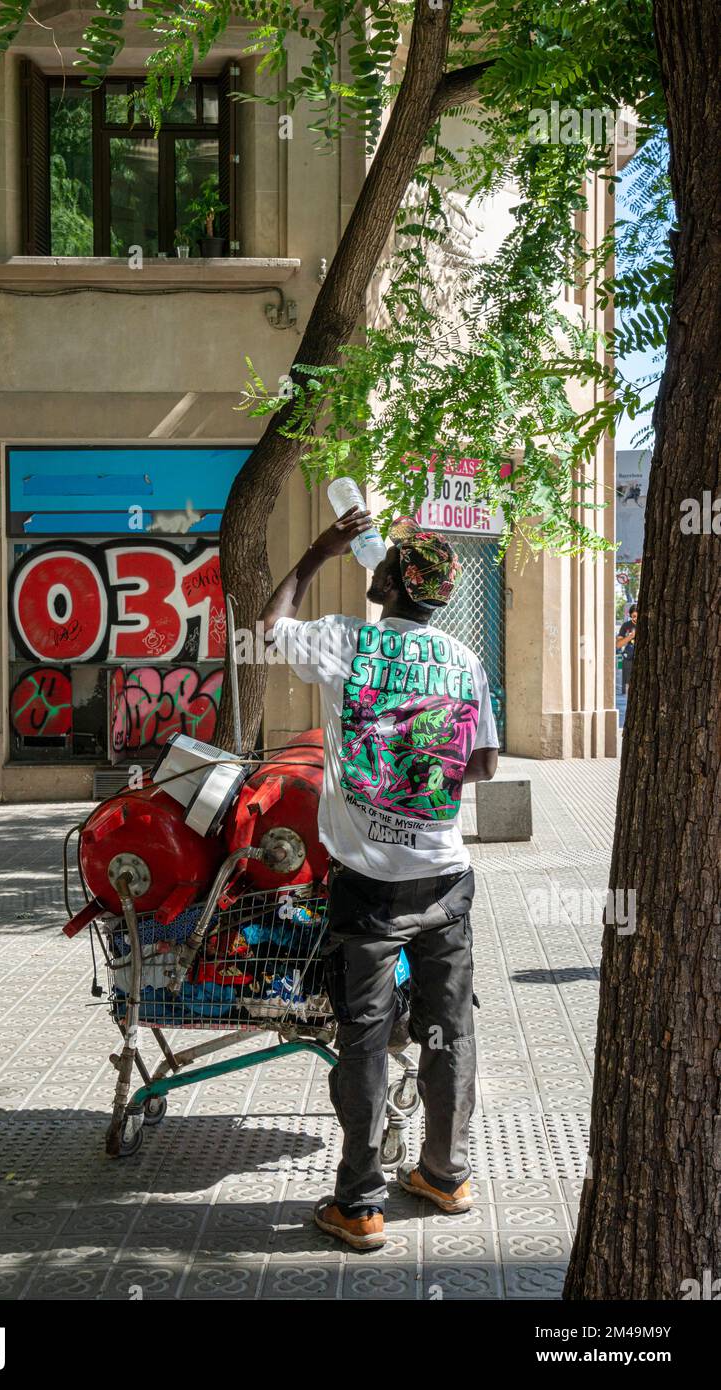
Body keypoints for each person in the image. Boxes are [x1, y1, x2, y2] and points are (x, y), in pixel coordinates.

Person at [261, 506, 499, 1251]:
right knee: (447, 1029)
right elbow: (486, 765)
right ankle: (444, 1173)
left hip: (366, 882)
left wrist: (313, 550)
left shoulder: (346, 640)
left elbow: (267, 627)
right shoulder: (462, 661)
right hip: (445, 877)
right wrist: (420, 769)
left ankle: (360, 1204)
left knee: (362, 1040)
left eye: (378, 564)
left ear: (388, 586)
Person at [617, 603, 638, 697]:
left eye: (638, 616)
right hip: (629, 658)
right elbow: (618, 645)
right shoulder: (626, 626)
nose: (636, 618)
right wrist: (630, 637)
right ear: (630, 616)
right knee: (629, 685)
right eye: (634, 616)